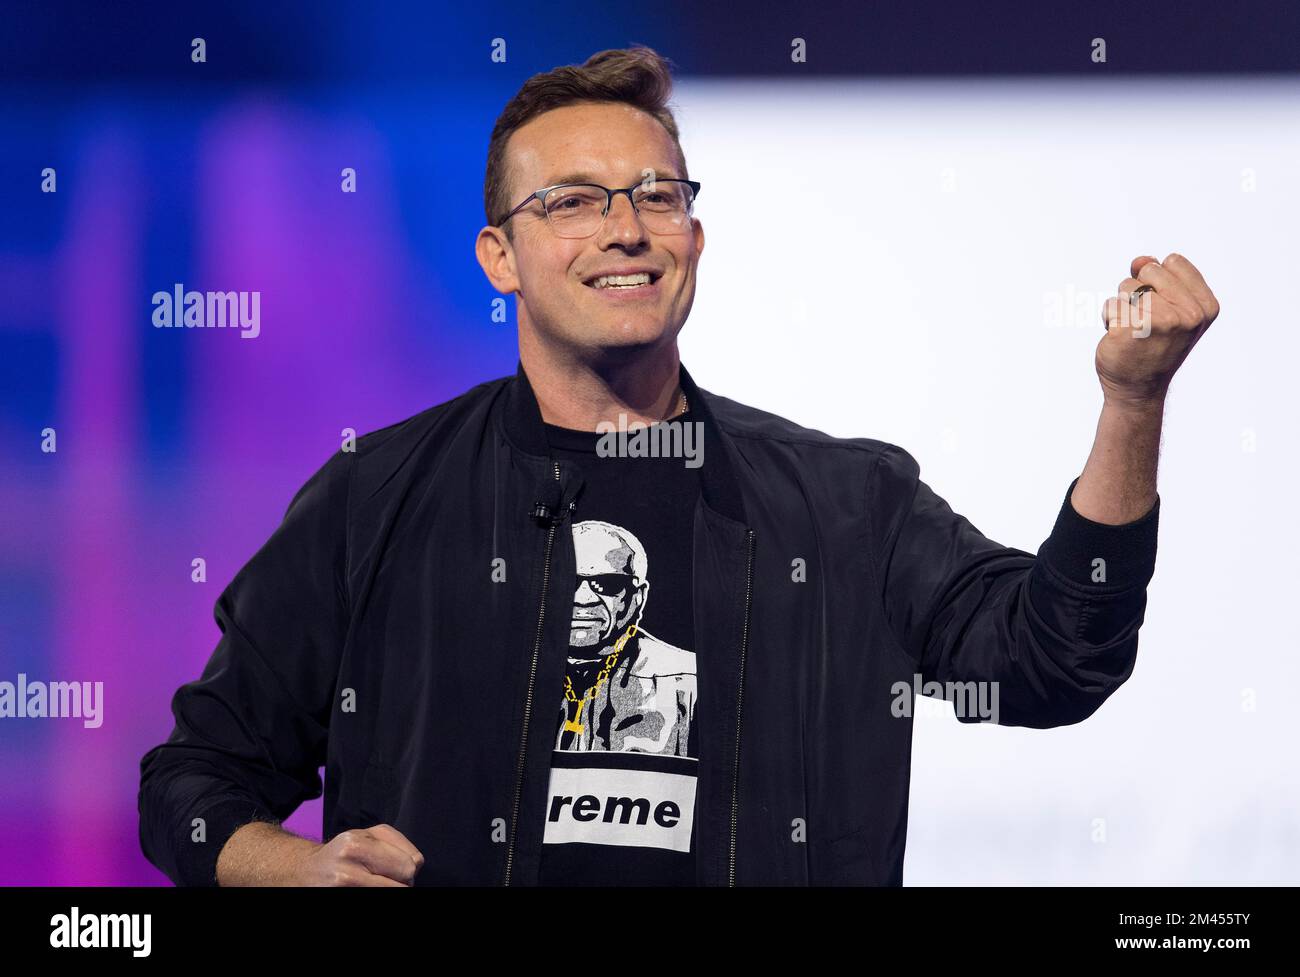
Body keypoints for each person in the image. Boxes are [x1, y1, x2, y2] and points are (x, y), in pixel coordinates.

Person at [138, 45, 1219, 886]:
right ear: (498, 255)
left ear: (695, 236)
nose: (627, 229)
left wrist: (1132, 401)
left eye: (658, 195)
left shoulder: (845, 504)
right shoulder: (372, 497)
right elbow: (190, 782)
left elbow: (1052, 662)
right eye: (572, 200)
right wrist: (294, 865)